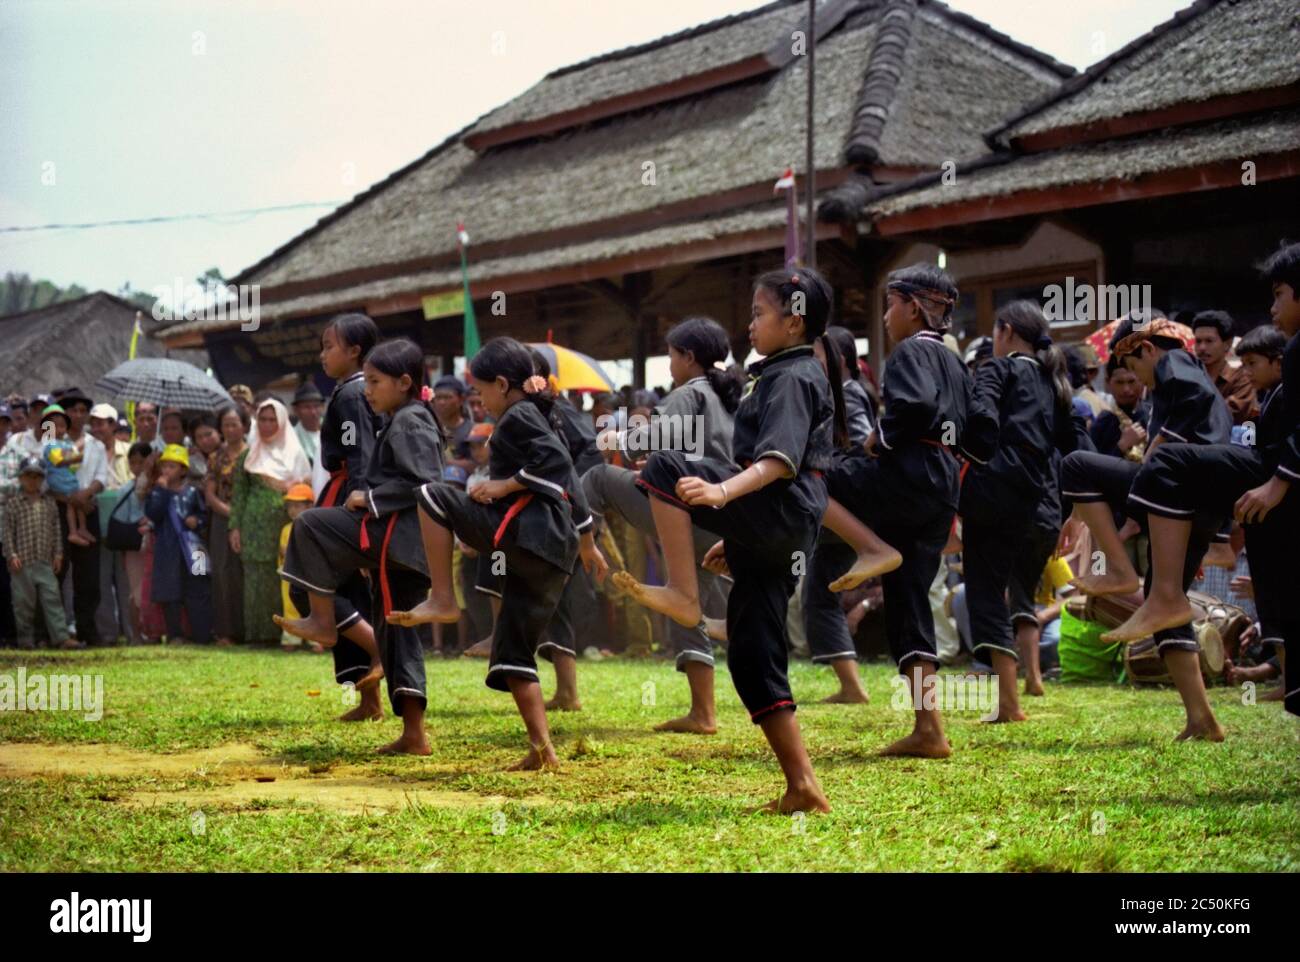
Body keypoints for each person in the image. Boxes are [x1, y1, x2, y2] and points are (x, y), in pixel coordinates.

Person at [612, 267, 852, 811]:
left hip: (781, 508)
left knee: (665, 465)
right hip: (778, 521)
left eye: (759, 313)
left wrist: (722, 498)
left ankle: (682, 591)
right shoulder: (782, 371)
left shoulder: (792, 377)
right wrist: (739, 534)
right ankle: (804, 787)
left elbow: (777, 461)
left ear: (794, 322)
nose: (749, 325)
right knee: (751, 653)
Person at [387, 337, 607, 769]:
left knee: (431, 495)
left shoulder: (519, 415)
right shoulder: (542, 413)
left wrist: (503, 486)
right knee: (513, 652)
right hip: (550, 552)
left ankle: (444, 597)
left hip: (528, 535)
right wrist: (586, 540)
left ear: (503, 384)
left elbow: (558, 463)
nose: (479, 401)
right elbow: (570, 480)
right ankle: (543, 751)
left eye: (481, 391)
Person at [1112, 242, 1300, 719]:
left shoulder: (1180, 368)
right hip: (1261, 489)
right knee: (1277, 590)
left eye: (1279, 294)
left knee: (1167, 464)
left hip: (1273, 480)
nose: (1273, 308)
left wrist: (1277, 482)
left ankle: (1167, 591)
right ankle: (1170, 600)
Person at [822, 264, 995, 759]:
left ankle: (867, 547)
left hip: (908, 473)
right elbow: (984, 432)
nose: (884, 316)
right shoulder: (959, 365)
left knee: (810, 476)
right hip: (942, 488)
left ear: (913, 307)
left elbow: (914, 407)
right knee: (908, 599)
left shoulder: (910, 350)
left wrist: (883, 437)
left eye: (889, 304)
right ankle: (929, 729)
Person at [1059, 313, 1232, 741]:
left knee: (1077, 465)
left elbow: (1174, 435)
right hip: (1195, 499)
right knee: (1164, 600)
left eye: (1132, 365)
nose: (1132, 376)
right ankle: (1201, 718)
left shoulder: (1175, 362)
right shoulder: (1164, 390)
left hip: (1187, 485)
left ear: (1148, 349)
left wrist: (1150, 457)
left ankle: (1118, 571)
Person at [278, 338, 444, 754]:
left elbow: (424, 481)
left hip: (397, 539)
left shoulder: (410, 420)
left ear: (404, 382)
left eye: (374, 381)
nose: (366, 389)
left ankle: (321, 620)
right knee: (397, 631)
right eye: (366, 381)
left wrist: (368, 498)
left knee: (311, 526)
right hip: (403, 544)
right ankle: (414, 735)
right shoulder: (403, 416)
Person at [583, 316, 740, 732]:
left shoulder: (690, 393)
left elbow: (650, 438)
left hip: (685, 510)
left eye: (671, 355)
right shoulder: (728, 399)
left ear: (688, 357)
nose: (669, 364)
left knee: (596, 479)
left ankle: (582, 543)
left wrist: (613, 440)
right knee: (687, 604)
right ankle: (703, 714)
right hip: (719, 519)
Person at [960, 300, 1082, 723]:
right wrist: (1077, 512)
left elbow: (981, 417)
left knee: (987, 595)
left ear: (1006, 330)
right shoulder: (1055, 383)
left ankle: (1008, 704)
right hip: (1045, 509)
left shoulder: (999, 369)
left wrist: (973, 466)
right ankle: (1028, 683)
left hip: (997, 496)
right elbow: (1077, 449)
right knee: (1022, 597)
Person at [286, 312, 388, 721]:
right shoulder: (359, 391)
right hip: (345, 491)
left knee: (306, 584)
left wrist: (358, 499)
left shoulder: (351, 394)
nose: (323, 354)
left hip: (348, 495)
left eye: (330, 346)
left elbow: (360, 450)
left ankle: (378, 647)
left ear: (355, 351)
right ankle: (369, 701)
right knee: (349, 592)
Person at [803, 324, 877, 703]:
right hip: (836, 510)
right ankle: (851, 686)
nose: (811, 360)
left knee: (819, 590)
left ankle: (852, 687)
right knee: (820, 591)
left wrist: (827, 467)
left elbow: (864, 449)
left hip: (845, 506)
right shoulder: (832, 396)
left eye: (816, 353)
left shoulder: (851, 394)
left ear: (839, 359)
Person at [230, 399, 310, 644]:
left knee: (285, 579)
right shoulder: (248, 455)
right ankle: (257, 635)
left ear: (282, 421)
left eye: (272, 419)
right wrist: (234, 527)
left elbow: (305, 493)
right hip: (253, 528)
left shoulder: (296, 453)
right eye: (262, 419)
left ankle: (287, 635)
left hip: (285, 527)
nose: (266, 425)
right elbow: (239, 495)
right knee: (255, 579)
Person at [143, 444, 213, 644]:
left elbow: (204, 516)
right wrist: (161, 492)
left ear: (183, 470)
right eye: (164, 466)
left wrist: (196, 521)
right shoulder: (157, 492)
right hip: (168, 548)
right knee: (170, 591)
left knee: (199, 588)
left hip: (194, 548)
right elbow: (153, 514)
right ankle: (175, 634)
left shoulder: (193, 492)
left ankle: (202, 634)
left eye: (172, 467)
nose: (167, 471)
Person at [5, 457, 73, 649]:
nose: (32, 481)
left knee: (52, 598)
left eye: (37, 477)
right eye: (28, 476)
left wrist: (58, 554)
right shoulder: (14, 504)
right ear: (20, 478)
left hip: (44, 560)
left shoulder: (49, 504)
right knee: (23, 603)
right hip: (22, 562)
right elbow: (8, 532)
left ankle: (61, 637)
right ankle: (26, 640)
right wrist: (12, 555)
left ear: (43, 479)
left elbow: (56, 530)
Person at [205, 405, 250, 646]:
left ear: (244, 425)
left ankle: (248, 629)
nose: (230, 429)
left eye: (235, 424)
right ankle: (226, 632)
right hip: (222, 520)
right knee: (222, 573)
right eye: (225, 425)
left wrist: (242, 516)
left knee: (245, 572)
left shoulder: (253, 453)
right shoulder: (216, 456)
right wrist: (231, 513)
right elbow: (209, 494)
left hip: (250, 520)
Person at [40, 404, 96, 547]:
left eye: (62, 426)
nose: (59, 430)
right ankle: (74, 531)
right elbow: (58, 461)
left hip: (68, 479)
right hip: (59, 482)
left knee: (76, 504)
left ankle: (80, 529)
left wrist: (77, 459)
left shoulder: (65, 443)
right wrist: (77, 458)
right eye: (54, 426)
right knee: (73, 504)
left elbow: (75, 459)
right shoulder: (50, 444)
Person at [1193, 310, 1256, 425]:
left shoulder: (1242, 378)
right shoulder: (1190, 376)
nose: (1202, 347)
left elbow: (1230, 414)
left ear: (1227, 344)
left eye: (1209, 341)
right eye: (1198, 341)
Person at [278, 483, 320, 652]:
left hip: (310, 575)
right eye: (290, 506)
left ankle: (315, 639)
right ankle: (291, 638)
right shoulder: (286, 529)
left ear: (309, 506)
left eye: (297, 506)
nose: (293, 510)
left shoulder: (315, 528)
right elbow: (284, 551)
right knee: (290, 607)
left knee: (313, 606)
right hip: (289, 575)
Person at [1090, 356, 1150, 460]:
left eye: (1131, 381)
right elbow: (1095, 468)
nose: (1126, 389)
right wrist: (1121, 446)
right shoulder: (1102, 424)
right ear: (1108, 383)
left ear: (1142, 380)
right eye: (1119, 382)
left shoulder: (1153, 416)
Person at [432, 375, 474, 472]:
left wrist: (444, 462)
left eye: (447, 397)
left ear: (461, 400)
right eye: (438, 397)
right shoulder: (429, 429)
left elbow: (477, 464)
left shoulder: (472, 430)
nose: (442, 402)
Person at [291, 382, 324, 467]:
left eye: (316, 406)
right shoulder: (291, 437)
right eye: (307, 407)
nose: (313, 412)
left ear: (323, 407)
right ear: (296, 410)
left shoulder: (334, 431)